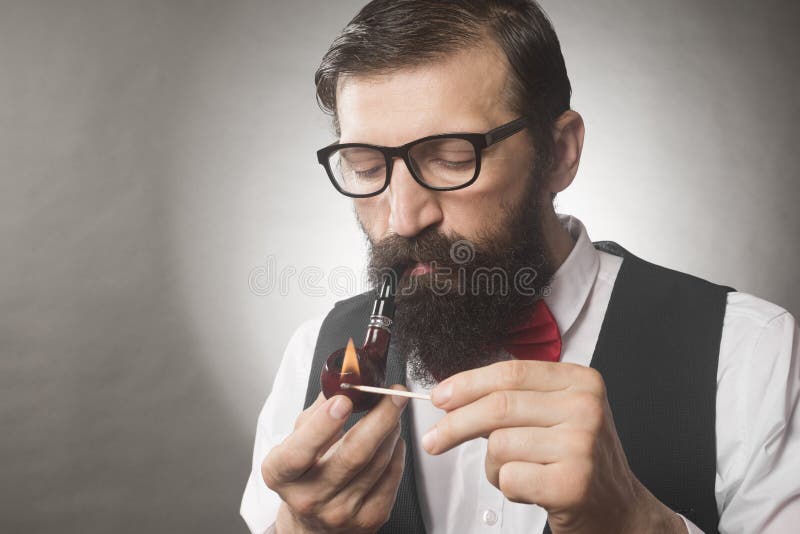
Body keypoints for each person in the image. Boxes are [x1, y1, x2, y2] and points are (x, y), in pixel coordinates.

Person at [240, 1, 800, 533]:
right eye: (365, 166)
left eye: (451, 158)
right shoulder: (313, 353)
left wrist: (639, 525)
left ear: (558, 153)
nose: (403, 218)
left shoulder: (748, 352)